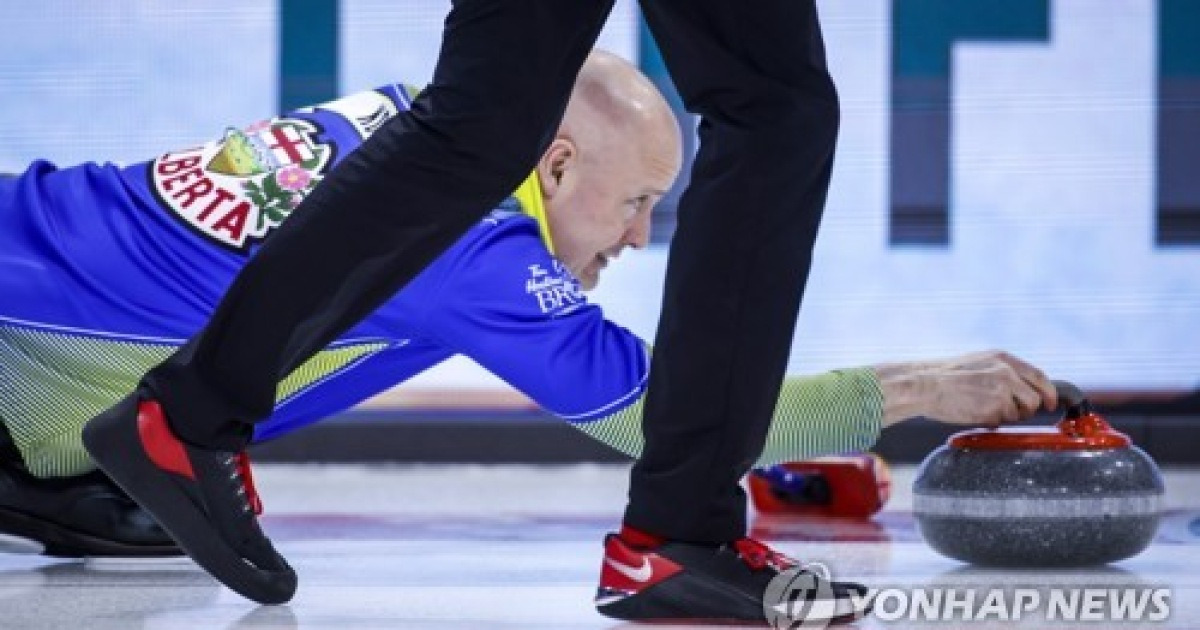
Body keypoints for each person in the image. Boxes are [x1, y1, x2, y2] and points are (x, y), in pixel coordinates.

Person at [60, 32, 1057, 623]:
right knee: (780, 107)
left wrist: (772, 466)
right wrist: (918, 391)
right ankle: (151, 432)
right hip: (18, 378)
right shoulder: (481, 250)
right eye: (637, 202)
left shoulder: (409, 136)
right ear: (561, 164)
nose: (642, 235)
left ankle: (131, 442)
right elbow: (650, 415)